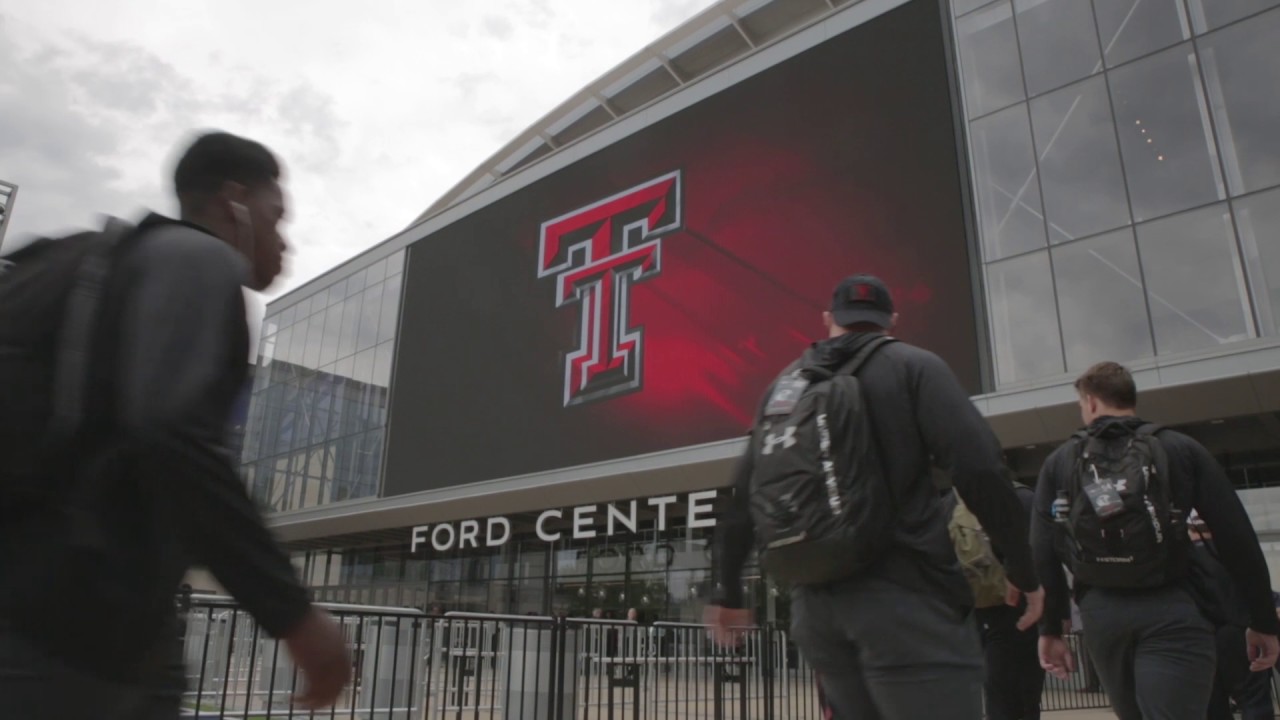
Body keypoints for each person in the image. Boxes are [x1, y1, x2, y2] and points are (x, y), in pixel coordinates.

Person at [0, 131, 351, 718]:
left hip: (88, 620)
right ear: (234, 202)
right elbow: (174, 433)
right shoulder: (197, 260)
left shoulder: (102, 264)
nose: (284, 240)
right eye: (276, 217)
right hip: (66, 629)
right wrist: (293, 614)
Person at [705, 274, 1043, 720]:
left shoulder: (785, 387)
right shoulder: (914, 366)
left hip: (818, 613)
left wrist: (728, 590)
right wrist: (1021, 567)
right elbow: (980, 468)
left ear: (828, 319)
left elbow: (745, 496)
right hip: (906, 605)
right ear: (891, 320)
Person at [1033, 361, 1280, 720]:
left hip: (1102, 613)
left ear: (1090, 402)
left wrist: (1051, 628)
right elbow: (1237, 539)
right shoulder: (1180, 448)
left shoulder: (1060, 462)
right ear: (1131, 398)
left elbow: (1042, 548)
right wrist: (1262, 620)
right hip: (1174, 605)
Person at [943, 475, 1044, 720]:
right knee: (1019, 696)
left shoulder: (949, 503)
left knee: (992, 692)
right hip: (1017, 609)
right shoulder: (1022, 498)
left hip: (969, 611)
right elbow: (1041, 553)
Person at [1188, 512, 1276, 720]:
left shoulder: (1184, 559)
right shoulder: (1233, 554)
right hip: (1240, 631)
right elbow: (1257, 590)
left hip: (1199, 637)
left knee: (1212, 705)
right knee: (1254, 700)